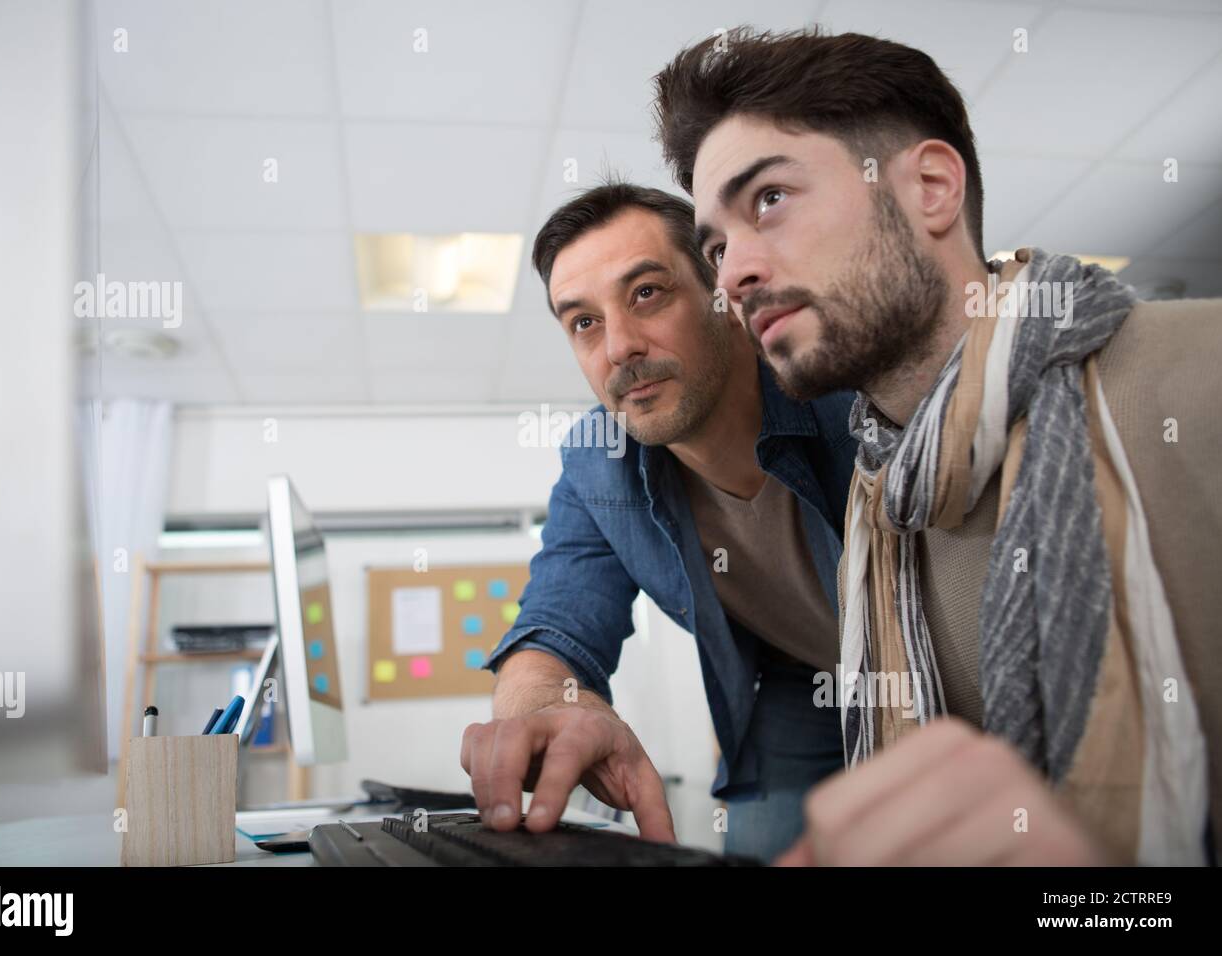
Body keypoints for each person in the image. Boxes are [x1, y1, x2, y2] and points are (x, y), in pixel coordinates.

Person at [653, 26, 1220, 865]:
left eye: (768, 198)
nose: (731, 273)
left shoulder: (1200, 374)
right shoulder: (877, 512)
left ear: (928, 187)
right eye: (715, 245)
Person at [460, 181, 857, 861]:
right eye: (583, 321)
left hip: (931, 656)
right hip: (804, 677)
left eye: (646, 293)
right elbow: (556, 623)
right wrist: (545, 708)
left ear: (722, 291)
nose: (618, 347)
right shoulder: (599, 462)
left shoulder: (841, 391)